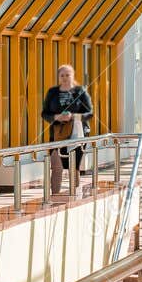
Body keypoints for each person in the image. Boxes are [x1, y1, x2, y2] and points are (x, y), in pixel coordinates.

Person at [42, 64, 92, 196]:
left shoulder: (80, 91)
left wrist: (74, 116)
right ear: (58, 77)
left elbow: (90, 113)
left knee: (73, 167)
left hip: (77, 133)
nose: (64, 78)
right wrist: (56, 117)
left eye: (67, 75)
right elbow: (44, 113)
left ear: (73, 75)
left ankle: (74, 194)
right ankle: (54, 197)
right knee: (56, 166)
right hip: (57, 133)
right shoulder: (52, 92)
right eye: (62, 75)